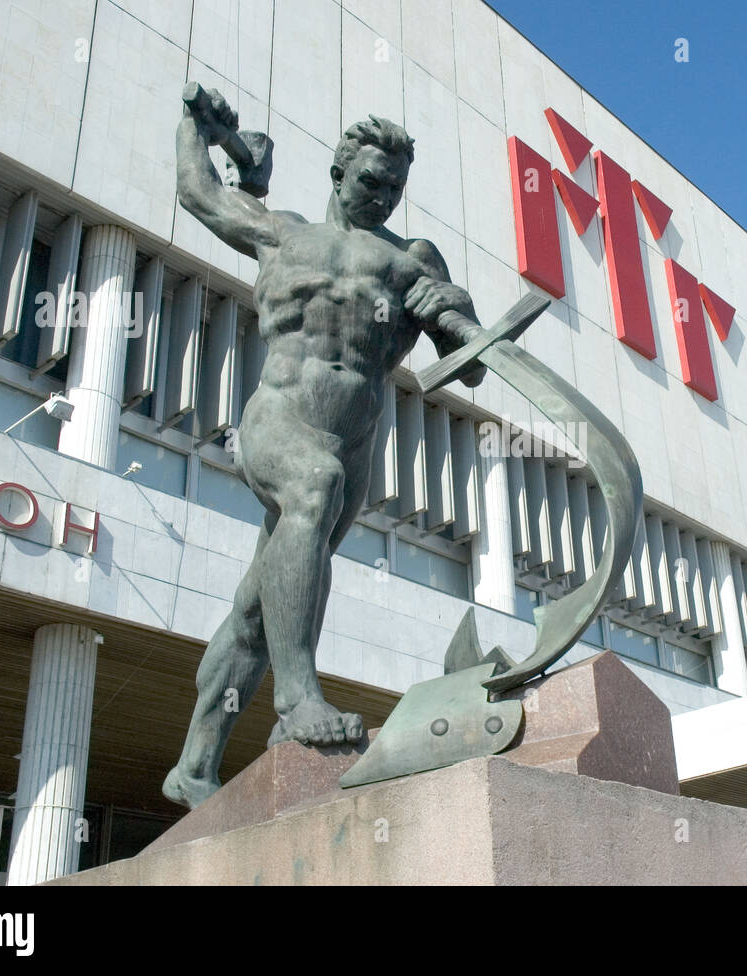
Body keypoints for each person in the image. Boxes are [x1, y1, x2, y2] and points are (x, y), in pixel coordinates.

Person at [164, 87, 485, 809]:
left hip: (355, 444)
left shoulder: (412, 260)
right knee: (311, 484)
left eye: (396, 188)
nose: (384, 197)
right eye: (373, 180)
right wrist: (198, 127)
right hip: (280, 421)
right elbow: (196, 190)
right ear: (341, 171)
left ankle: (194, 763)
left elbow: (472, 357)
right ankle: (298, 698)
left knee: (261, 606)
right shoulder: (282, 233)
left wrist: (452, 320)